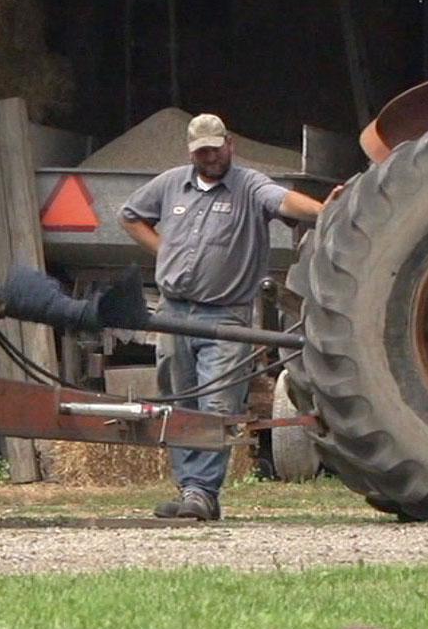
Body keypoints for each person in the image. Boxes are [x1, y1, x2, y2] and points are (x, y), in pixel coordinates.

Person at [118, 113, 332, 521]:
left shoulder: (249, 186)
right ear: (191, 152)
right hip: (174, 312)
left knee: (214, 404)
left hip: (225, 316)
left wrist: (324, 211)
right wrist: (165, 251)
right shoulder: (170, 184)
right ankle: (188, 489)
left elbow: (282, 199)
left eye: (216, 148)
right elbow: (129, 215)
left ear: (229, 144)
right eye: (203, 151)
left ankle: (202, 493)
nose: (211, 157)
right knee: (179, 402)